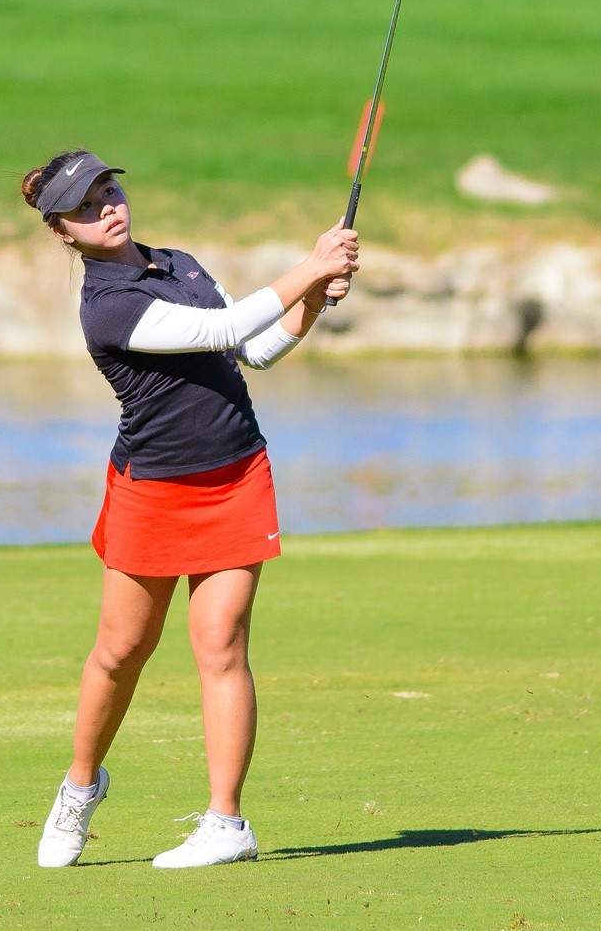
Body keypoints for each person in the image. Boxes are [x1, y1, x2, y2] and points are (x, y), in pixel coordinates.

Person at [25, 149, 358, 869]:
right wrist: (310, 264)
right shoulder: (107, 307)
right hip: (154, 489)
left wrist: (314, 296)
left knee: (223, 643)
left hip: (236, 472)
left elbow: (255, 348)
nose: (107, 206)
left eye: (109, 191)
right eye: (85, 206)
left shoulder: (181, 264)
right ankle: (80, 787)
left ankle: (226, 823)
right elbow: (218, 330)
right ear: (63, 233)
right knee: (121, 652)